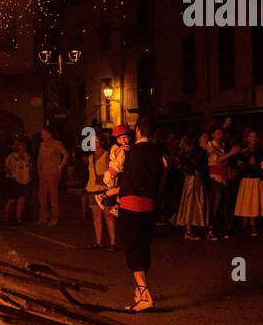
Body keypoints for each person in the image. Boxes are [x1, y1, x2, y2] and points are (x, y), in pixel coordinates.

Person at [108, 116, 167, 312]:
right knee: (144, 247)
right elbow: (164, 176)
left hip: (130, 204)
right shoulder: (160, 153)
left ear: (138, 131)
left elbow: (111, 176)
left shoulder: (129, 151)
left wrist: (109, 187)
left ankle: (144, 294)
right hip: (149, 205)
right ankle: (139, 290)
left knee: (133, 249)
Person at [233, 129, 263, 236]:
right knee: (249, 204)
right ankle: (253, 227)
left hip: (258, 180)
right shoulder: (243, 151)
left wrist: (254, 164)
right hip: (247, 180)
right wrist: (247, 162)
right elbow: (239, 168)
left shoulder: (262, 150)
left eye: (255, 136)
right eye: (251, 136)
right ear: (247, 138)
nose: (253, 138)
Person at [173, 133, 209, 240]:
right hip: (192, 179)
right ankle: (189, 230)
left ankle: (192, 228)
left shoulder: (194, 152)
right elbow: (191, 164)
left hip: (195, 179)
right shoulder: (191, 153)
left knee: (194, 203)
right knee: (190, 203)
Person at [83, 130, 115, 249]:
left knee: (108, 214)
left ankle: (112, 243)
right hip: (92, 188)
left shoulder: (107, 155)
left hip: (105, 189)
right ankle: (98, 241)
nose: (94, 143)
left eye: (97, 140)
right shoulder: (90, 157)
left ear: (101, 141)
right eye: (92, 141)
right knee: (96, 215)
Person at [205, 126, 238, 241]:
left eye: (221, 133)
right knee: (216, 203)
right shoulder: (210, 147)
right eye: (217, 133)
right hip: (215, 177)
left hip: (223, 177)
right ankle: (211, 229)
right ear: (213, 135)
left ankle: (219, 228)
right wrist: (230, 153)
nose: (220, 135)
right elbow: (217, 160)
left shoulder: (222, 146)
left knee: (223, 203)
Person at [35, 125, 69, 227]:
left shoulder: (56, 143)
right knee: (42, 196)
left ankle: (54, 218)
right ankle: (43, 217)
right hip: (43, 173)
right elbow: (40, 157)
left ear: (49, 134)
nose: (42, 135)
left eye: (44, 133)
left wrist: (60, 167)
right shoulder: (42, 144)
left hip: (53, 173)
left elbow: (66, 154)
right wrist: (38, 169)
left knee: (53, 196)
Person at [5, 138, 32, 226]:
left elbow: (30, 167)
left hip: (24, 180)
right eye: (21, 146)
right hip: (14, 180)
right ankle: (6, 217)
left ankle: (18, 218)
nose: (23, 148)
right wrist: (11, 175)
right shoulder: (12, 156)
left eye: (24, 146)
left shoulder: (27, 156)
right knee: (12, 200)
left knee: (22, 199)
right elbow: (7, 167)